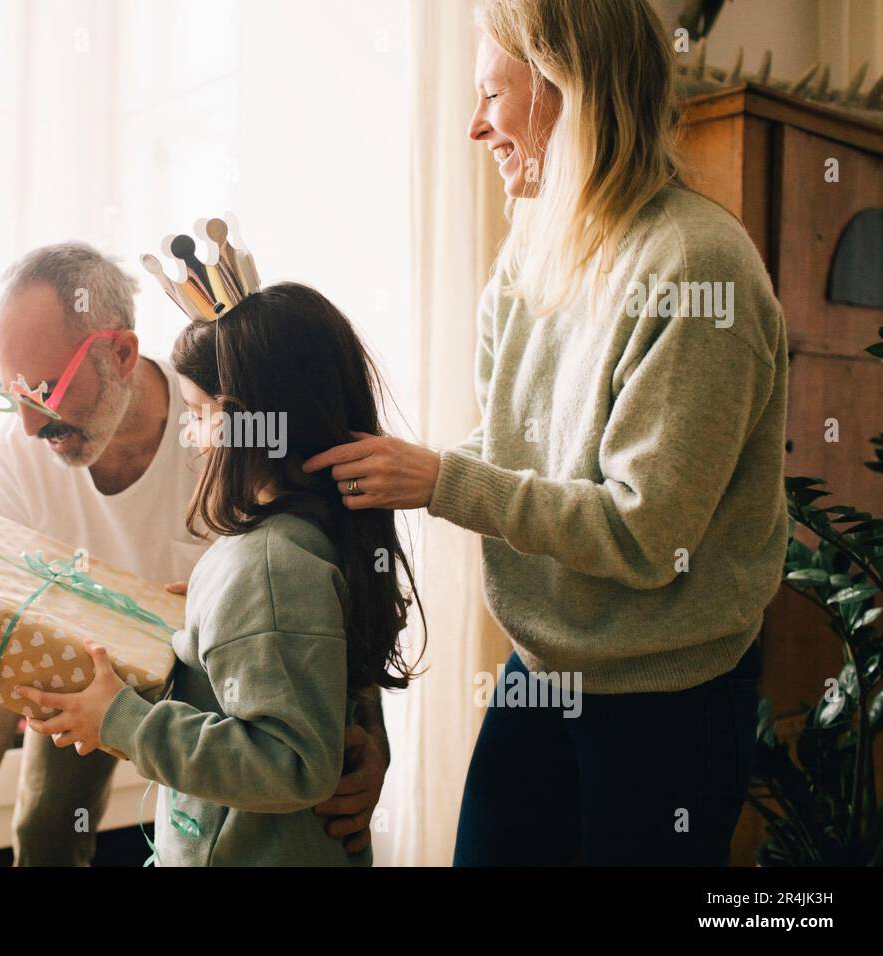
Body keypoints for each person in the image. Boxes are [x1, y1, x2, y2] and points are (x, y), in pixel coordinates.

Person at [303, 0, 786, 865]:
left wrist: (440, 481)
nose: (473, 124)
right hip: (544, 670)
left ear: (571, 93)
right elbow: (507, 442)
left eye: (493, 94)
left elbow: (645, 533)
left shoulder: (698, 267)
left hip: (670, 695)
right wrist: (393, 467)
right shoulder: (534, 244)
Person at [0, 243, 390, 865]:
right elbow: (1, 626)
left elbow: (333, 587)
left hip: (224, 673)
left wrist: (368, 734)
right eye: (4, 394)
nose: (28, 427)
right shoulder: (17, 460)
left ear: (119, 353)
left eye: (42, 392)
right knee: (46, 833)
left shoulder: (225, 433)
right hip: (91, 665)